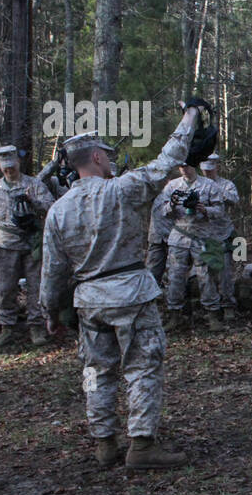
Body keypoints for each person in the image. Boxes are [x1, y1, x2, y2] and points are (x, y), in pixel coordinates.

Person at [40, 105, 204, 469]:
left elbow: (52, 271)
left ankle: (104, 443)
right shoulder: (121, 190)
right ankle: (142, 446)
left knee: (95, 373)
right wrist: (190, 117)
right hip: (130, 292)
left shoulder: (58, 210)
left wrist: (50, 312)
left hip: (89, 301)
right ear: (97, 157)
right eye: (108, 156)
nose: (112, 162)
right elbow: (167, 160)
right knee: (142, 365)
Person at [0, 145, 56, 348]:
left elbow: (52, 208)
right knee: (6, 289)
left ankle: (36, 327)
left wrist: (33, 201)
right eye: (5, 167)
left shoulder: (34, 185)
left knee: (36, 287)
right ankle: (6, 328)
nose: (9, 170)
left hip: (32, 244)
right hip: (5, 244)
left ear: (18, 163)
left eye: (12, 166)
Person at [162, 163, 227, 331]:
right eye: (181, 166)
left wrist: (205, 210)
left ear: (194, 165)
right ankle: (175, 314)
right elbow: (162, 211)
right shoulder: (172, 186)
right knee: (175, 277)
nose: (184, 168)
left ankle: (213, 314)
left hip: (202, 236)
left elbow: (220, 211)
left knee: (206, 276)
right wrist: (172, 205)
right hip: (179, 236)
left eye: (187, 165)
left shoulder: (209, 185)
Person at [200, 154, 240, 322]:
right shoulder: (197, 185)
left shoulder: (226, 185)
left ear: (217, 166)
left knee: (224, 273)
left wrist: (219, 195)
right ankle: (211, 308)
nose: (208, 172)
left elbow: (235, 200)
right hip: (202, 235)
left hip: (222, 233)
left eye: (211, 168)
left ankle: (227, 305)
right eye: (205, 169)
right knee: (206, 274)